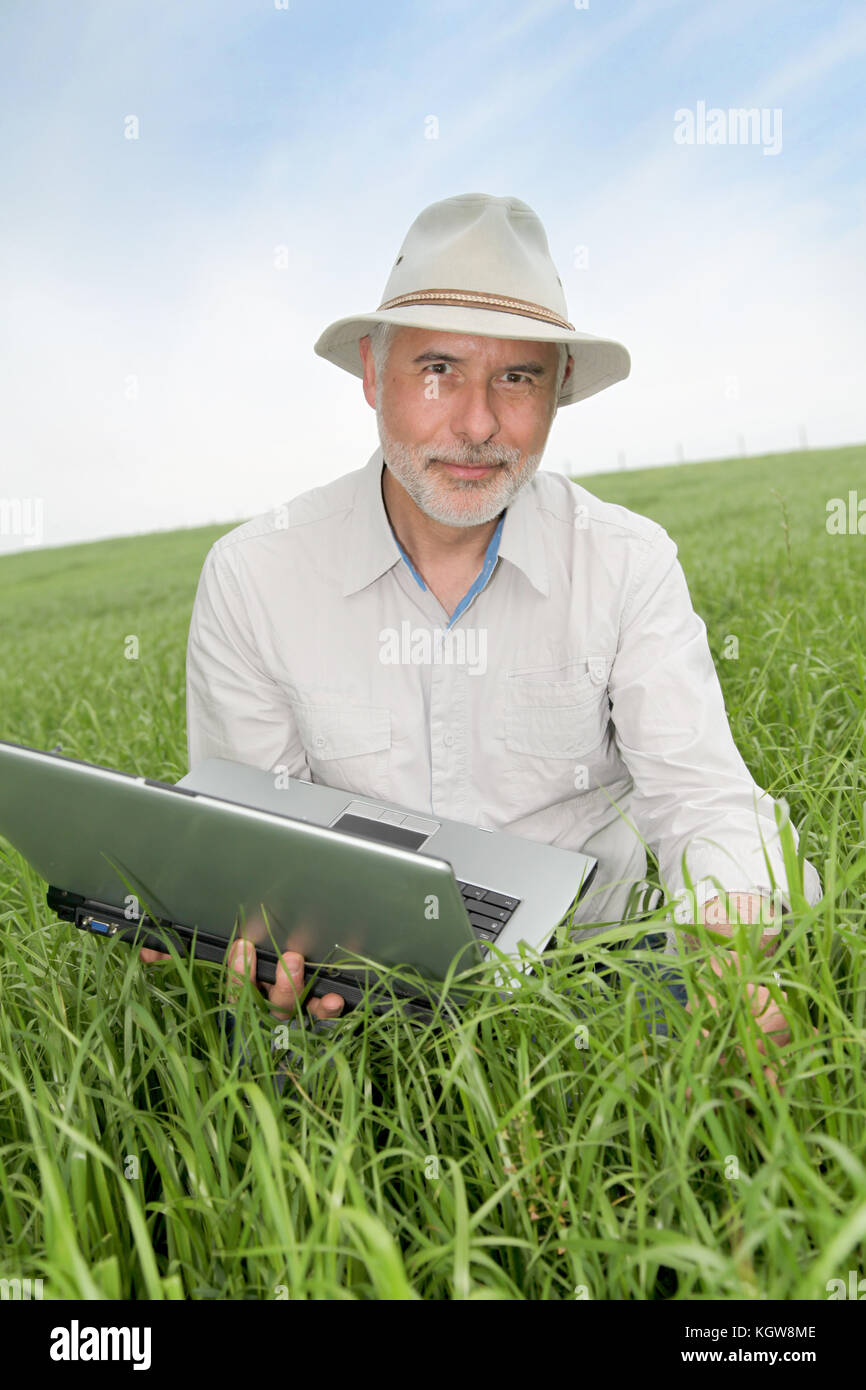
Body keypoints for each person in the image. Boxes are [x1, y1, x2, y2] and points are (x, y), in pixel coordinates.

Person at [145, 193, 822, 1085]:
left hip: (604, 952)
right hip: (367, 974)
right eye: (437, 369)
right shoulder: (255, 578)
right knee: (266, 1076)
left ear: (556, 394)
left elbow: (704, 800)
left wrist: (730, 954)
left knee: (699, 1050)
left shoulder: (626, 562)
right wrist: (256, 938)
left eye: (518, 379)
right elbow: (259, 843)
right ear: (371, 372)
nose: (476, 423)